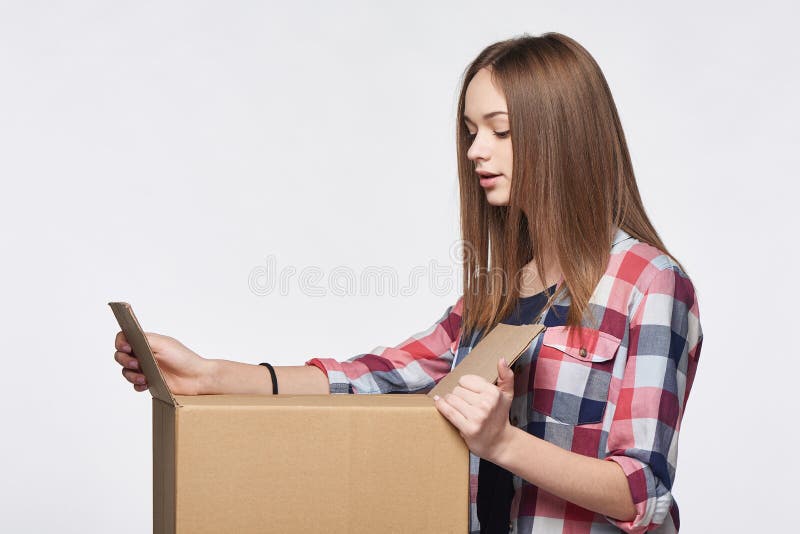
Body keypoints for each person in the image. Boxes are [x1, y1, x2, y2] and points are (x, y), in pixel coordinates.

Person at [114, 32, 702, 534]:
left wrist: (501, 444)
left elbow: (643, 491)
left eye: (500, 130)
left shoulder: (648, 284)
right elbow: (376, 377)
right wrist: (212, 375)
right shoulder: (496, 293)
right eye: (471, 131)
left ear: (562, 136)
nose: (476, 150)